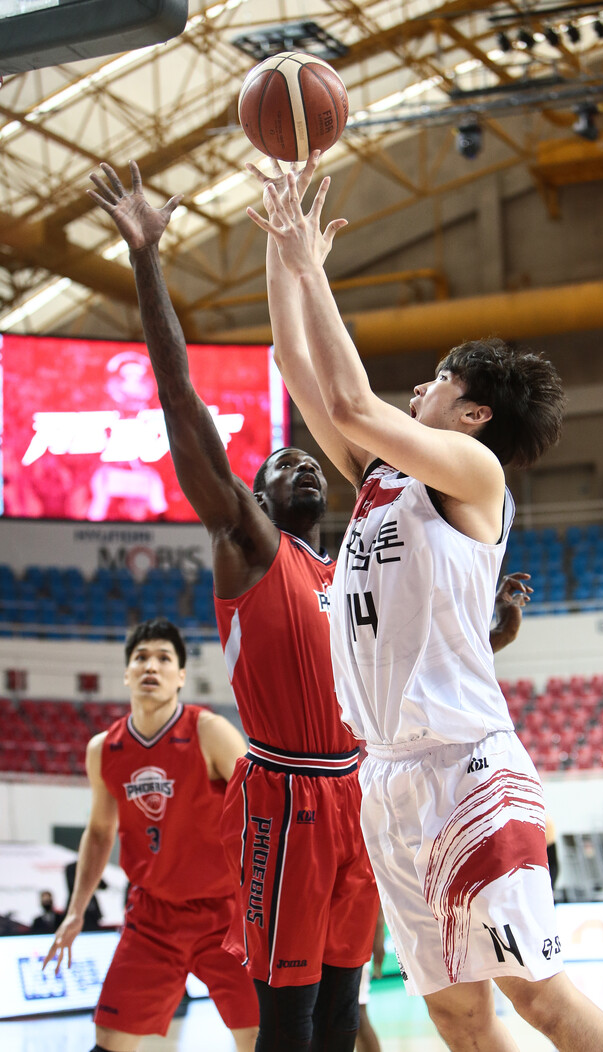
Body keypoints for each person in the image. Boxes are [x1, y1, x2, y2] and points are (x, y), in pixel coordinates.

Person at [85, 159, 530, 1052]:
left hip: (362, 796)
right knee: (287, 1025)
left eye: (303, 461)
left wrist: (493, 620)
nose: (293, 461)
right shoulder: (254, 548)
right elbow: (225, 406)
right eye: (273, 464)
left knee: (342, 1014)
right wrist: (151, 259)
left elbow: (422, 636)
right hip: (286, 794)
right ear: (251, 497)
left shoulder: (357, 564)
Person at [248, 166, 603, 1052]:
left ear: (472, 414)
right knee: (455, 1013)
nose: (417, 390)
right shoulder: (381, 479)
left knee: (537, 996)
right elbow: (295, 369)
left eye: (434, 381)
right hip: (383, 777)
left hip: (465, 766)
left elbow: (346, 400)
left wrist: (313, 268)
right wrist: (280, 250)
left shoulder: (474, 475)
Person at [43, 618, 258, 1052]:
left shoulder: (208, 731)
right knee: (109, 1039)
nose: (150, 667)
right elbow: (100, 832)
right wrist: (75, 911)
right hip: (152, 917)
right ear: (126, 674)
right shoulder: (103, 749)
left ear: (181, 676)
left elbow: (261, 813)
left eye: (164, 658)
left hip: (226, 914)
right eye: (141, 658)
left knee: (258, 1038)